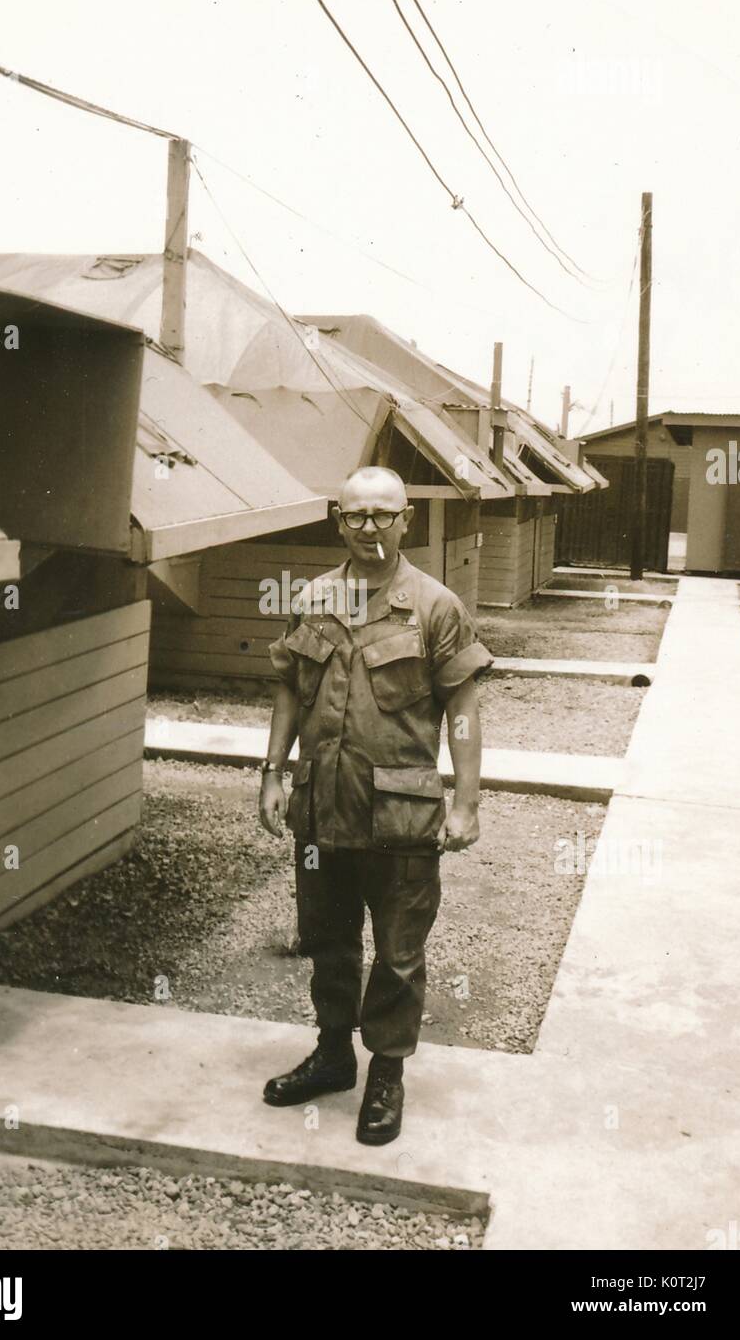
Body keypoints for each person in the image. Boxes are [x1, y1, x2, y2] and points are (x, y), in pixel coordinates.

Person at [257, 466, 494, 1145]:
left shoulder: (435, 606)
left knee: (397, 953)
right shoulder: (313, 597)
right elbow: (287, 691)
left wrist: (467, 803)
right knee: (327, 940)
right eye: (356, 514)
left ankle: (386, 1074)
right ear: (338, 519)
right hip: (321, 808)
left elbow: (464, 712)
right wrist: (272, 774)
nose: (369, 527)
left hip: (400, 814)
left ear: (405, 520)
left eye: (382, 515)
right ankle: (334, 1055)